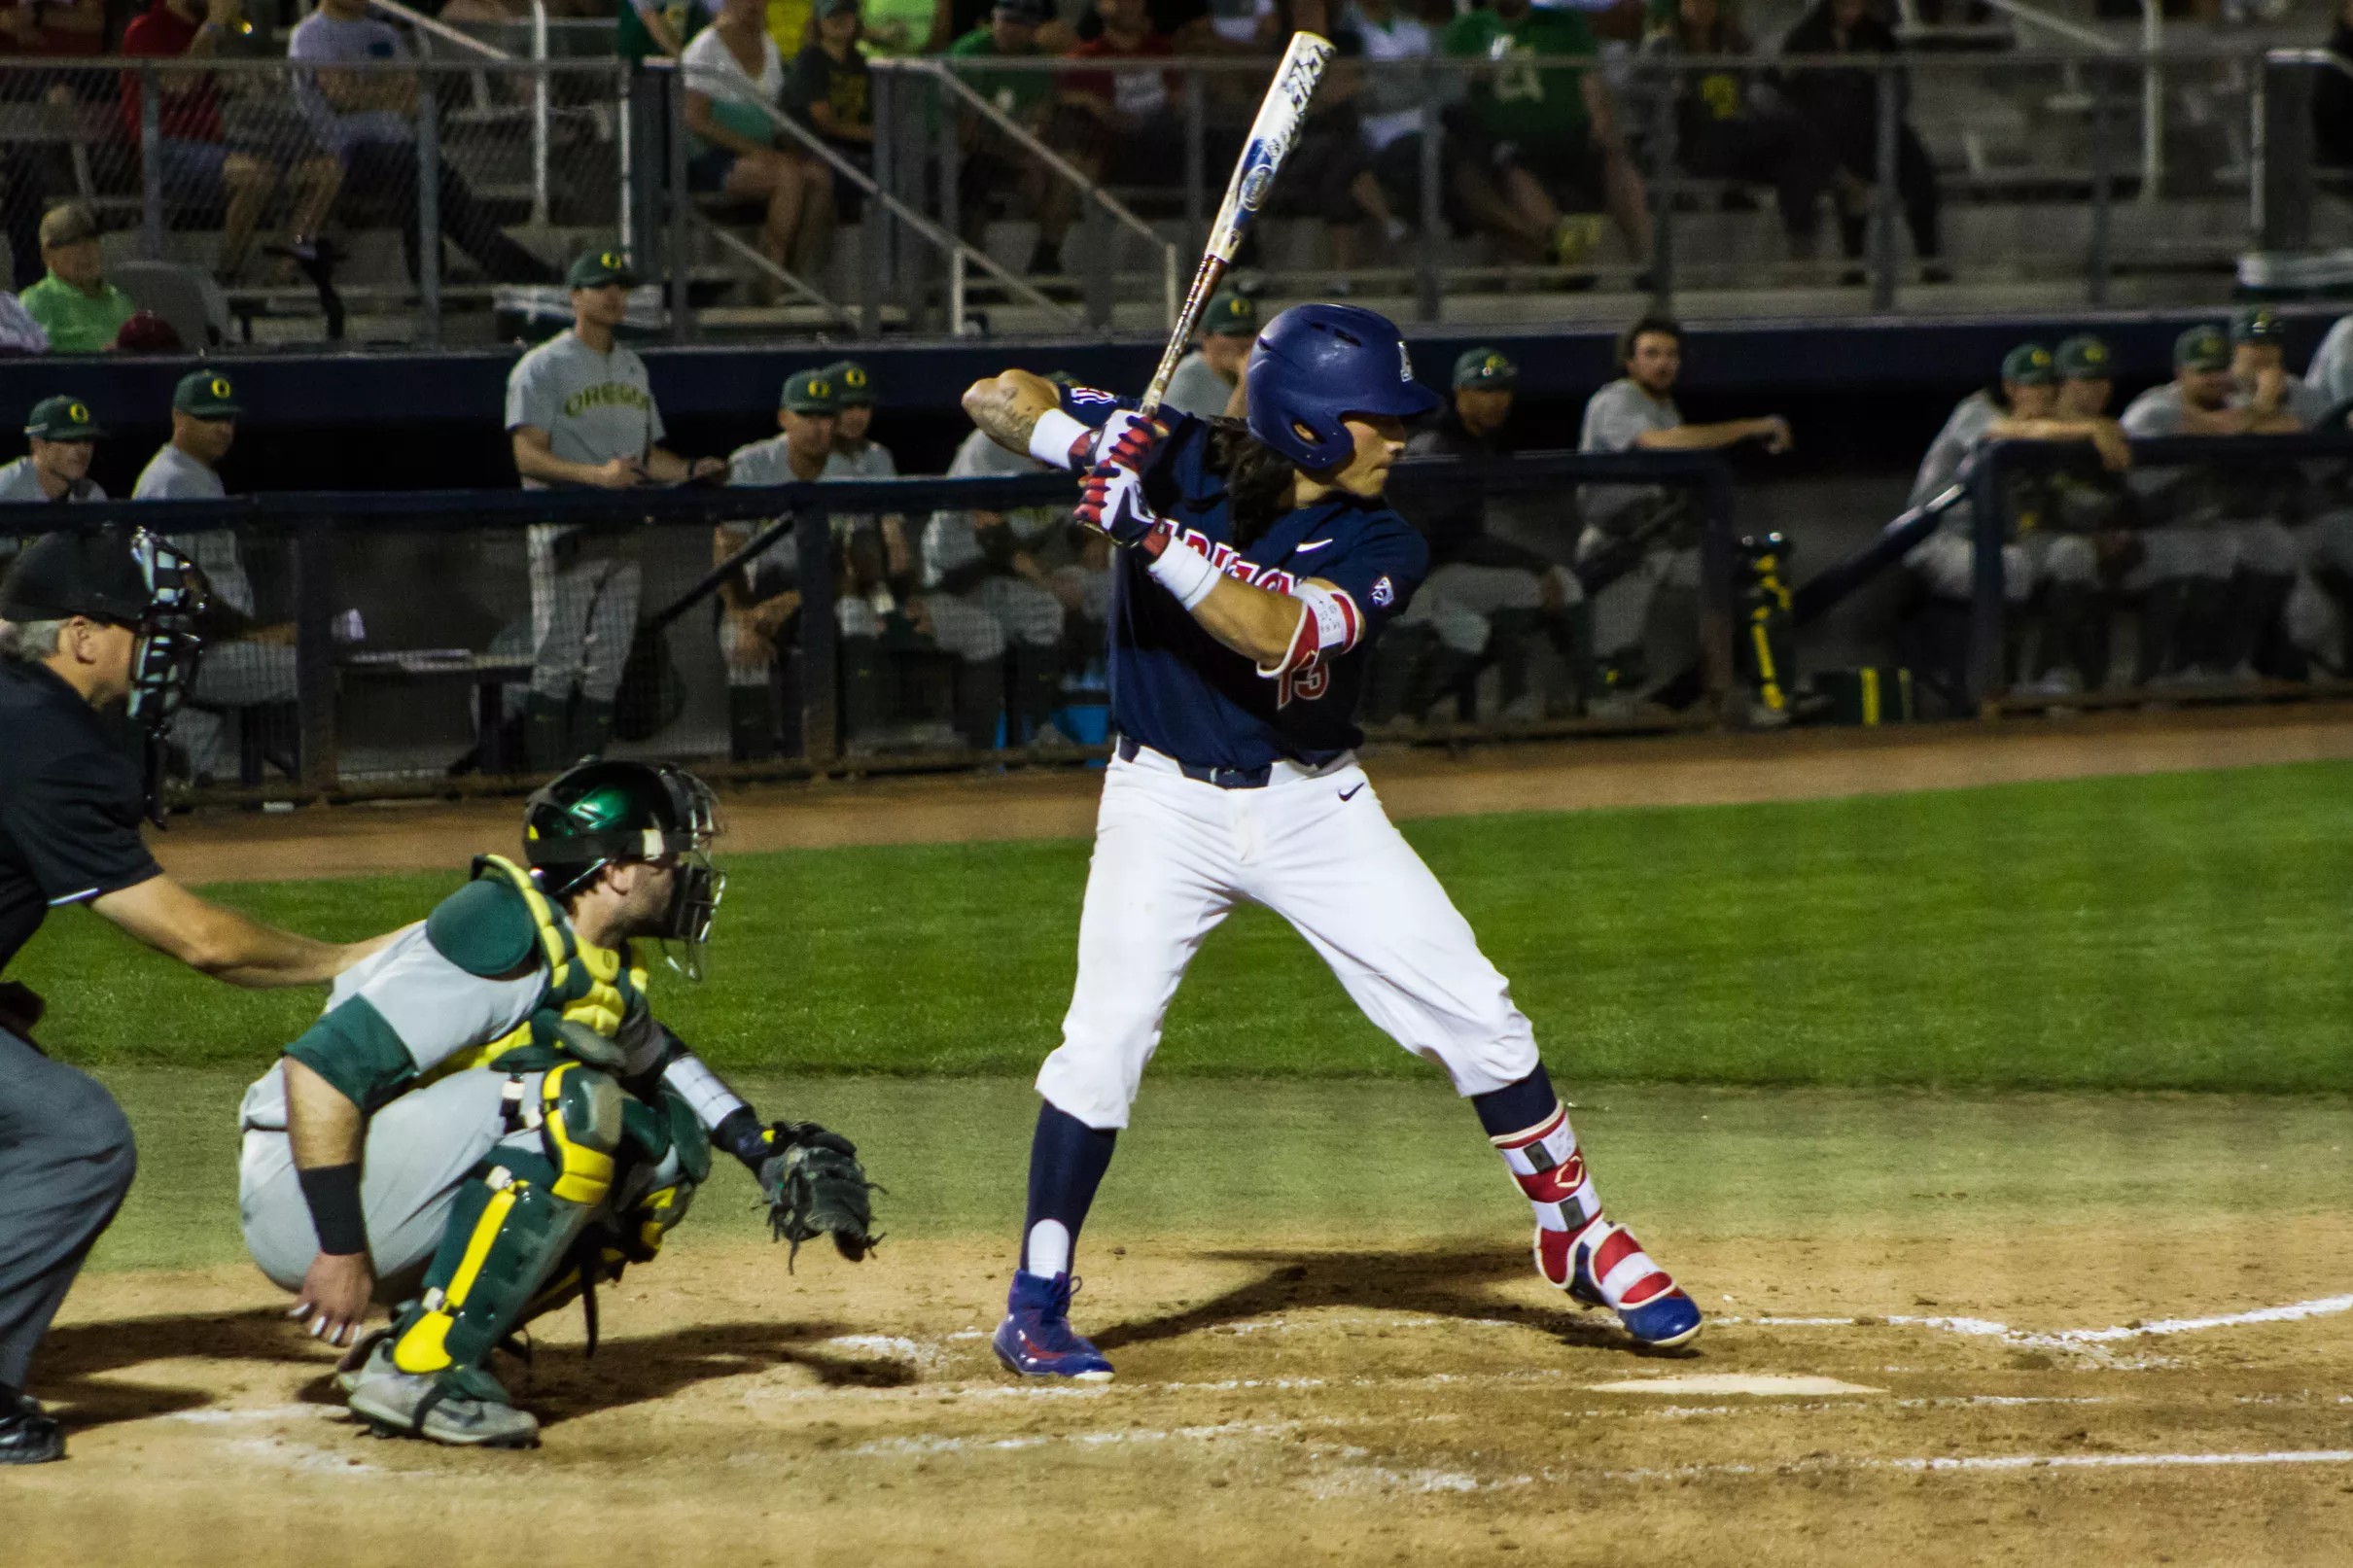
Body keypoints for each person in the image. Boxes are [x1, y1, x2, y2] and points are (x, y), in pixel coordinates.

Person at [958, 303, 1703, 1383]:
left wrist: (1146, 533)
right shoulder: (1174, 449)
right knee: (1102, 1043)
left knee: (1478, 1013)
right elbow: (991, 394)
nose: (1400, 438)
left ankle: (1576, 1232)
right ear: (1306, 423)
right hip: (1161, 803)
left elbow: (1276, 632)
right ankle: (1034, 1302)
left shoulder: (1381, 536)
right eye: (1378, 420)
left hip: (1313, 806)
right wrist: (1084, 442)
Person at [235, 759, 872, 1447]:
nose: (686, 873)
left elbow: (657, 1055)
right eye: (672, 854)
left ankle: (428, 1336)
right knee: (571, 1105)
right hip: (305, 1194)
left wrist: (758, 1146)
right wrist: (338, 1247)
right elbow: (317, 1073)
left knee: (665, 1151)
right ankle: (417, 1371)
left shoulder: (590, 951)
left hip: (386, 1183)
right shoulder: (498, 935)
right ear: (619, 869)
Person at [0, 526, 386, 1464]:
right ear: (81, 636)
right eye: (147, 629)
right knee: (73, 1134)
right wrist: (357, 959)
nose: (166, 653)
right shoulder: (42, 735)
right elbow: (205, 943)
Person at [507, 249, 726, 771]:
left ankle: (585, 783)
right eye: (601, 286)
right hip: (566, 529)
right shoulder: (541, 366)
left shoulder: (632, 366)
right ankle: (547, 784)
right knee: (557, 663)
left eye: (620, 287)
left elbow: (649, 455)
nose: (613, 296)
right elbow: (526, 454)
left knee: (608, 665)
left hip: (625, 532)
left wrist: (693, 468)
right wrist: (597, 476)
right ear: (574, 297)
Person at [1576, 315, 1789, 703]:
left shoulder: (1665, 406)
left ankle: (1753, 697)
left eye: (1671, 354)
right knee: (1613, 671)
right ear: (1631, 362)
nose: (1662, 363)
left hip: (1661, 542)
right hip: (1617, 549)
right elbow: (1662, 442)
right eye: (1651, 353)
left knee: (1752, 578)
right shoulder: (1617, 399)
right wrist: (1750, 426)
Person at [1901, 341, 2129, 700]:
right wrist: (2088, 428)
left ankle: (2041, 674)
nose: (2040, 394)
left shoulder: (2052, 427)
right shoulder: (1975, 411)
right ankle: (1995, 683)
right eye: (2031, 386)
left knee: (2074, 554)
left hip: (1997, 542)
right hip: (1935, 540)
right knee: (2014, 566)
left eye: (2047, 385)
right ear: (2010, 388)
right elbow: (2006, 433)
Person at [1373, 346, 1586, 727]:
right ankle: (1392, 718)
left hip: (1435, 569)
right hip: (1400, 576)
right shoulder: (1435, 447)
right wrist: (1536, 565)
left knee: (1495, 613)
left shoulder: (1469, 441)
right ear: (1460, 393)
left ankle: (1414, 714)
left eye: (1503, 391)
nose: (1497, 401)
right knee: (1519, 593)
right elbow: (1457, 537)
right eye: (1484, 391)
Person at [287, 0, 555, 286]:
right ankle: (434, 280)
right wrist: (387, 91)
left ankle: (533, 278)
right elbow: (342, 96)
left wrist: (367, 90)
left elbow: (415, 98)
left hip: (405, 150)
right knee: (420, 173)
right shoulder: (311, 34)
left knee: (453, 198)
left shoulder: (382, 34)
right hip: (346, 151)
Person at [133, 369, 299, 782]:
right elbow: (185, 591)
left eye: (227, 418)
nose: (224, 428)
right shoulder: (174, 482)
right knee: (313, 669)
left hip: (204, 648)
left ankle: (245, 782)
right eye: (210, 418)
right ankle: (311, 786)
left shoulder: (191, 473)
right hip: (195, 651)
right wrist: (252, 634)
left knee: (184, 785)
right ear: (179, 419)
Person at [2119, 322, 2301, 686]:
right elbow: (2212, 425)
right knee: (2206, 551)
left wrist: (2254, 416)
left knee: (2275, 546)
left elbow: (2291, 427)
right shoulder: (2154, 406)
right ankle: (2159, 671)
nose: (2215, 378)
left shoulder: (2235, 404)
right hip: (2141, 527)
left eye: (2220, 369)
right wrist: (2261, 407)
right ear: (2180, 373)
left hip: (2201, 522)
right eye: (2203, 371)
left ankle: (2224, 662)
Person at [120, 0, 343, 283]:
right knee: (255, 178)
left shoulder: (220, 30)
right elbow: (180, 83)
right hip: (166, 149)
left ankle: (284, 273)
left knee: (326, 172)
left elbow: (229, 82)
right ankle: (227, 274)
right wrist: (212, 25)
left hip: (227, 142)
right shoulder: (146, 29)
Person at [1441, 0, 1649, 269]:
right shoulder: (1468, 28)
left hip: (1571, 133)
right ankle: (1564, 259)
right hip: (1514, 141)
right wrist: (1488, 59)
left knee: (1618, 165)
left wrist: (1603, 124)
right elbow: (1467, 76)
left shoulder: (1564, 23)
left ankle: (1646, 261)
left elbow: (1591, 82)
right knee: (1517, 174)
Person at [1643, 0, 1837, 259]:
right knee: (1798, 132)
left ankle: (1801, 256)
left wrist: (1747, 56)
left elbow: (1769, 82)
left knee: (1794, 164)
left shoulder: (1731, 43)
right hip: (1697, 144)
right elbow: (1659, 100)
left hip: (1739, 139)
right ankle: (1839, 174)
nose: (1703, 7)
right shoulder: (1666, 46)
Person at [1779, 0, 1945, 282]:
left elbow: (1899, 86)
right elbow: (1791, 95)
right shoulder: (1804, 37)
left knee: (1919, 173)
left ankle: (1930, 260)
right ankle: (1853, 267)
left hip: (1878, 127)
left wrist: (1886, 117)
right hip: (1825, 135)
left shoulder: (1878, 35)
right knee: (1846, 177)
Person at [682, 0, 831, 289]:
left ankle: (794, 278)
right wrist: (755, 151)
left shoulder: (769, 45)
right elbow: (695, 119)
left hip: (766, 153)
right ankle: (771, 285)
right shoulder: (705, 49)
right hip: (714, 157)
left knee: (820, 178)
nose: (754, 4)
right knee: (788, 175)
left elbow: (776, 113)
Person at [945, 0, 1080, 277]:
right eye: (1006, 21)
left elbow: (1041, 119)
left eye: (1022, 24)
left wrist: (1033, 155)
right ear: (993, 18)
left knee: (1068, 168)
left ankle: (1047, 258)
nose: (1012, 30)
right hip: (960, 149)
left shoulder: (1038, 60)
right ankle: (973, 270)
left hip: (1013, 145)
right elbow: (966, 135)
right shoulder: (970, 53)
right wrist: (1019, 158)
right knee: (975, 177)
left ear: (1034, 29)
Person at [18, 204, 136, 356]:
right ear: (48, 255)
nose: (86, 251)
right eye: (72, 242)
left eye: (92, 238)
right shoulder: (35, 303)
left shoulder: (121, 302)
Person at [1157, 290, 1256, 420]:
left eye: (1248, 333)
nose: (1242, 342)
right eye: (1232, 334)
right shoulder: (1185, 379)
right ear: (1204, 337)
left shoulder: (1262, 375)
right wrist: (1245, 387)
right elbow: (1213, 440)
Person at [0, 395, 106, 503]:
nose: (82, 449)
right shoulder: (5, 488)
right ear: (38, 445)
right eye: (70, 440)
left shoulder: (92, 496)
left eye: (88, 440)